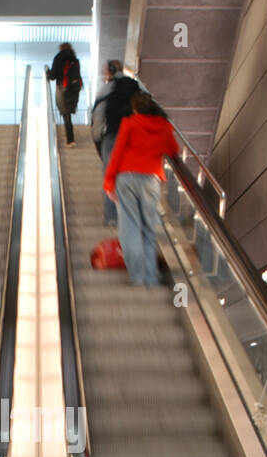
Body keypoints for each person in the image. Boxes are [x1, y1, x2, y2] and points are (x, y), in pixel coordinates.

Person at [103, 93, 179, 287]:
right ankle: (151, 277)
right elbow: (173, 150)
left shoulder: (130, 123)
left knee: (130, 228)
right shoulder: (164, 127)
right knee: (148, 229)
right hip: (151, 181)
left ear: (135, 108)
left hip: (126, 178)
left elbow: (117, 153)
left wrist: (109, 182)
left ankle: (138, 277)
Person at [91, 60, 143, 226]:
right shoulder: (136, 85)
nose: (104, 74)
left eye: (105, 71)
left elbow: (98, 115)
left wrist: (98, 138)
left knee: (110, 175)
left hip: (112, 136)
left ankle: (112, 217)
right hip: (134, 137)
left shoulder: (107, 89)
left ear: (111, 71)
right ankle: (133, 216)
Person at [47, 43, 83, 147]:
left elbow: (53, 75)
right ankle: (69, 137)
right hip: (75, 90)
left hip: (64, 88)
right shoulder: (74, 59)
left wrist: (48, 72)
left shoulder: (59, 57)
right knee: (68, 113)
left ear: (61, 48)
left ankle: (70, 139)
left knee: (65, 113)